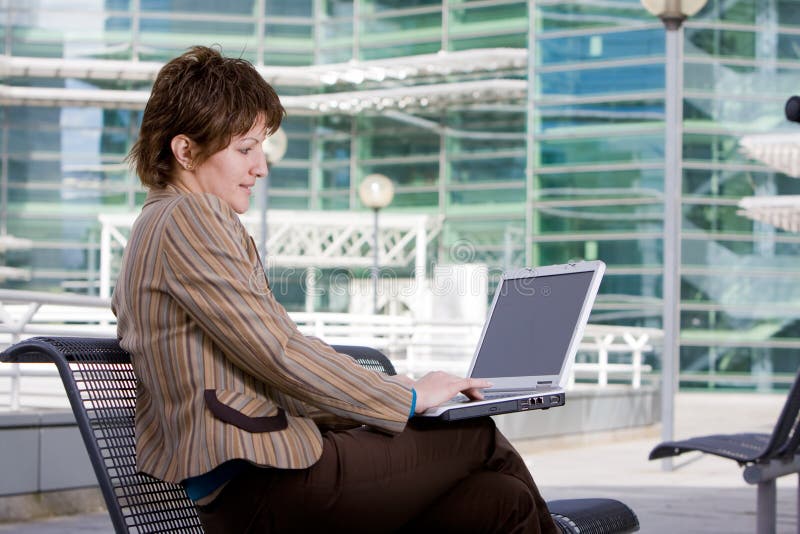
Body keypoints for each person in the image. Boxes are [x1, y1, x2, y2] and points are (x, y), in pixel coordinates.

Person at [112, 45, 559, 534]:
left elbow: (265, 359)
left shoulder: (155, 224)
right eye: (245, 149)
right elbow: (279, 353)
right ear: (185, 150)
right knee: (475, 434)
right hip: (267, 483)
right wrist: (408, 397)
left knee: (501, 501)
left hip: (263, 482)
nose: (261, 167)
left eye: (261, 147)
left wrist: (400, 397)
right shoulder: (189, 217)